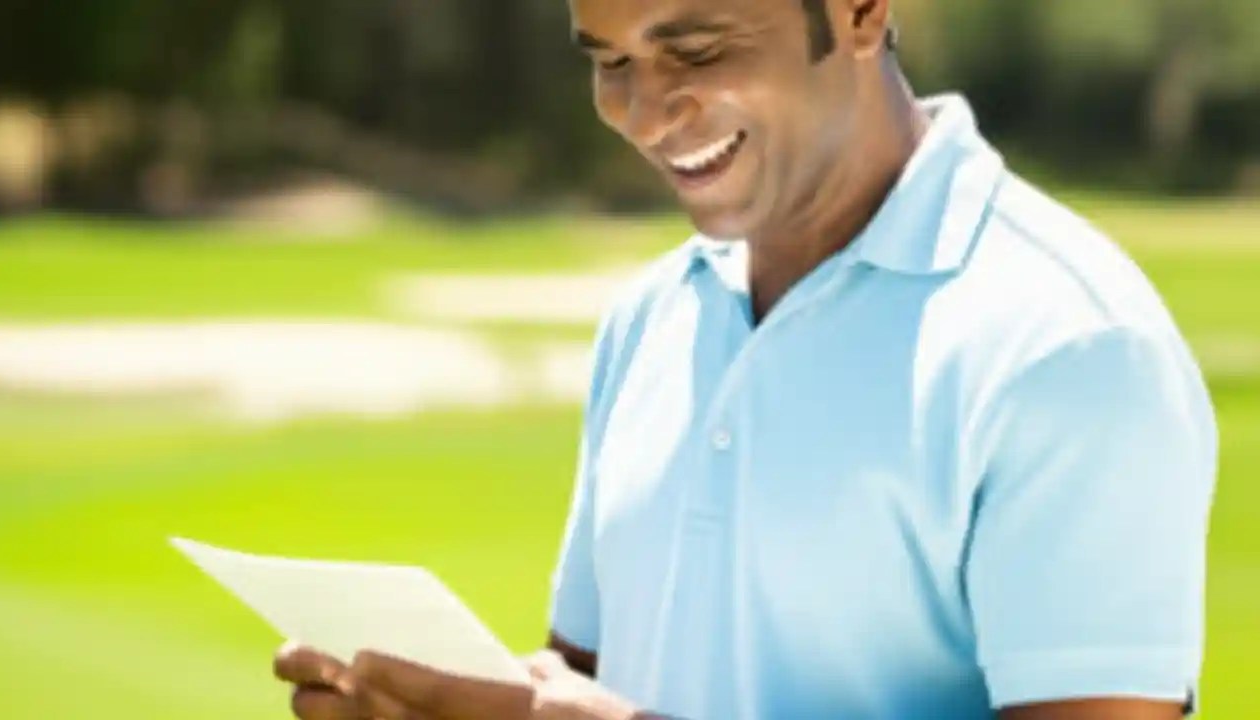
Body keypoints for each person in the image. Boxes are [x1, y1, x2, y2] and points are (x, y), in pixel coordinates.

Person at [273, 0, 1218, 717]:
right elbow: (589, 680)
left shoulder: (1072, 348)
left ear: (859, 11)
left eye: (696, 50)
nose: (645, 114)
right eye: (611, 60)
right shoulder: (651, 317)